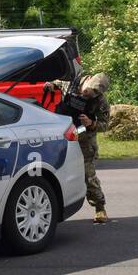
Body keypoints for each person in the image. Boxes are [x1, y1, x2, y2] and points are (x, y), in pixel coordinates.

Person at [46, 71, 111, 224]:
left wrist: (92, 123)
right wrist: (51, 85)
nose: (89, 95)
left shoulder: (101, 101)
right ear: (87, 82)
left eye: (94, 94)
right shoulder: (70, 83)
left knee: (87, 175)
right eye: (88, 91)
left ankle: (99, 207)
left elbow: (105, 125)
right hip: (61, 132)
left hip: (84, 137)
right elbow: (56, 83)